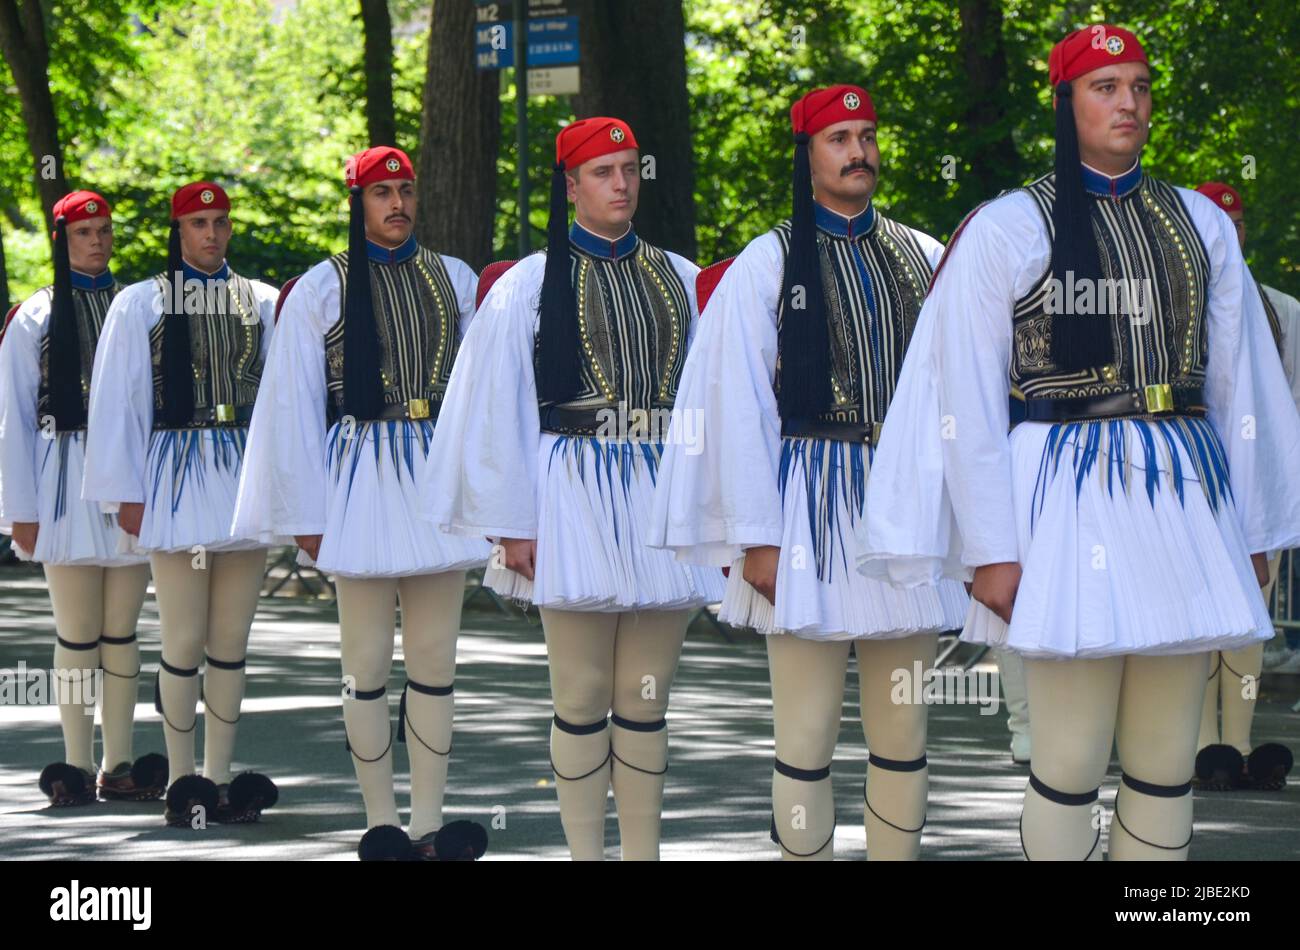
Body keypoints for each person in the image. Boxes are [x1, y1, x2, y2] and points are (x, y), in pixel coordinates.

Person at [858, 25, 1300, 860]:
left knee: (1167, 763)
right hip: (1062, 496)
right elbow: (966, 399)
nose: (1128, 101)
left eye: (1138, 85)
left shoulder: (1201, 223)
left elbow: (1246, 389)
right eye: (1106, 86)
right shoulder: (1006, 226)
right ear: (1066, 104)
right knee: (1066, 760)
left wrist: (1254, 533)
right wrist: (991, 548)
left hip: (1184, 491)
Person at [649, 85, 967, 860]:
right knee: (806, 734)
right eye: (839, 139)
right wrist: (754, 538)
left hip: (903, 502)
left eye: (866, 135)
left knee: (904, 730)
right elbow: (736, 403)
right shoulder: (767, 261)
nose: (858, 151)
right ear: (809, 154)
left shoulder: (924, 256)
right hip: (808, 503)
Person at [422, 117, 723, 860]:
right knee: (583, 696)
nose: (621, 184)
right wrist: (509, 520)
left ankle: (642, 855)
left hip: (657, 494)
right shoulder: (526, 285)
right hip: (571, 494)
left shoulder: (684, 279)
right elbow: (496, 407)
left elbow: (713, 404)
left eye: (629, 169)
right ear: (571, 185)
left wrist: (711, 511)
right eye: (602, 172)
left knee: (646, 700)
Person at [233, 146, 489, 860]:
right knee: (366, 662)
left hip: (436, 469)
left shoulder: (456, 280)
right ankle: (381, 822)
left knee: (437, 660)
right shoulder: (320, 288)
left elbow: (484, 396)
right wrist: (304, 516)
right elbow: (292, 406)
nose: (397, 203)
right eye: (382, 193)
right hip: (361, 472)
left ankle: (430, 825)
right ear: (358, 203)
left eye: (406, 189)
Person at [84, 181, 280, 827]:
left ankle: (220, 780)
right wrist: (125, 494)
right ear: (179, 230)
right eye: (199, 223)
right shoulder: (141, 303)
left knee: (230, 641)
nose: (212, 234)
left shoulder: (263, 302)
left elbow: (283, 407)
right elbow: (116, 404)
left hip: (241, 471)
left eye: (221, 222)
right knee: (184, 638)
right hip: (175, 473)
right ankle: (182, 777)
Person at [0, 190, 164, 806]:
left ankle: (118, 764)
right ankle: (74, 763)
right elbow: (12, 417)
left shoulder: (141, 307)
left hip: (125, 478)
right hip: (61, 477)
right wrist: (19, 511)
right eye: (82, 232)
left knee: (121, 632)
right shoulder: (34, 316)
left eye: (103, 230)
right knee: (77, 631)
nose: (96, 241)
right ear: (61, 240)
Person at [1190, 180, 1297, 790]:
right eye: (1217, 222)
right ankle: (1204, 745)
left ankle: (1241, 740)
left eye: (1236, 223)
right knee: (1204, 617)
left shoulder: (1284, 311)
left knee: (1252, 618)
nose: (1229, 233)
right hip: (1194, 479)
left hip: (1260, 485)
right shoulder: (1172, 302)